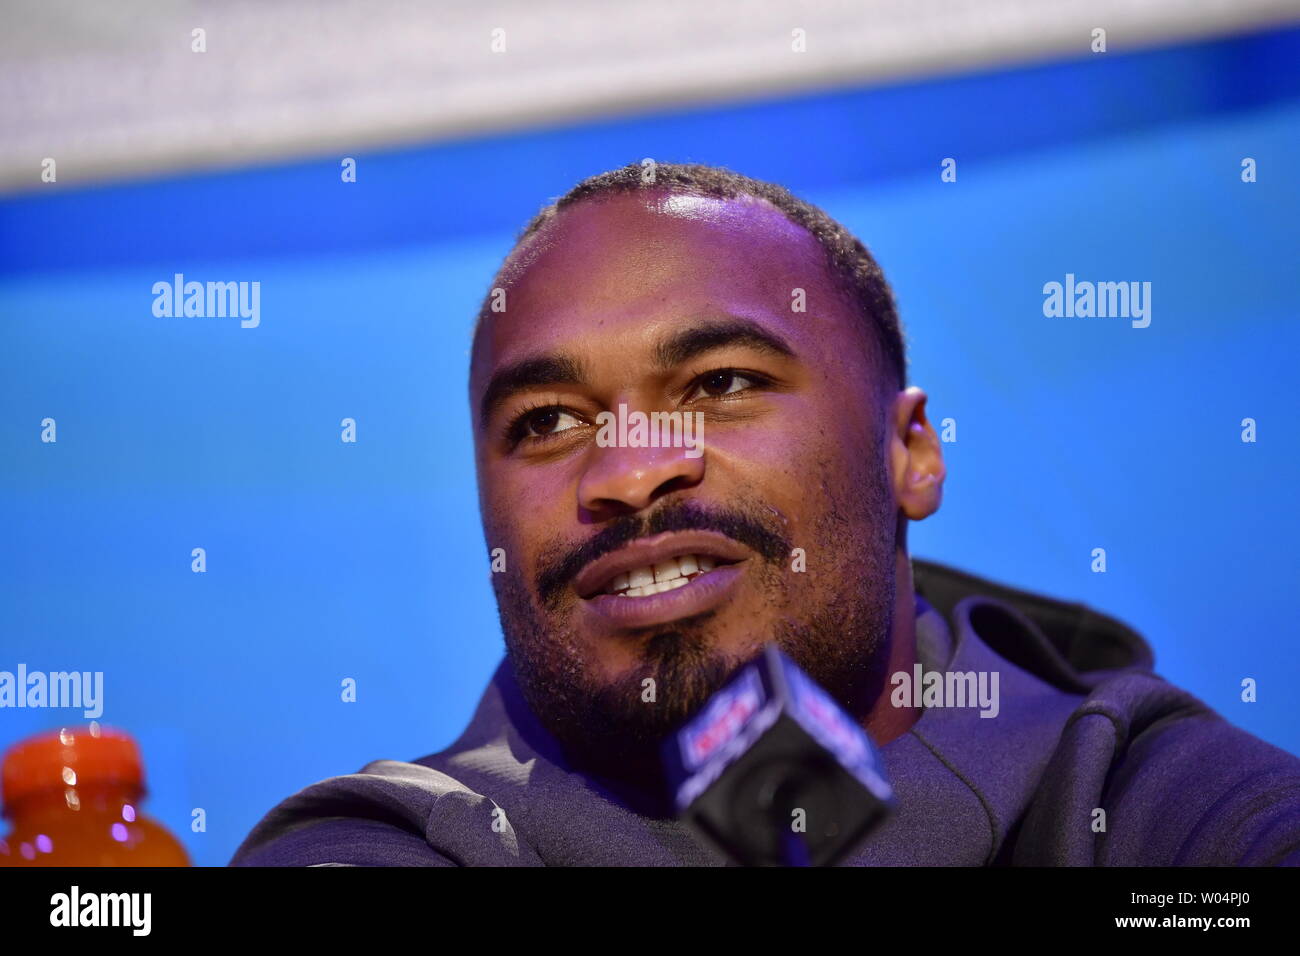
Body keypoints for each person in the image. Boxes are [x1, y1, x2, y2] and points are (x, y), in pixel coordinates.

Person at [231, 163, 1300, 866]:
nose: (630, 471)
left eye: (723, 383)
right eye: (549, 418)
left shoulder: (1142, 798)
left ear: (909, 452)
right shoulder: (387, 844)